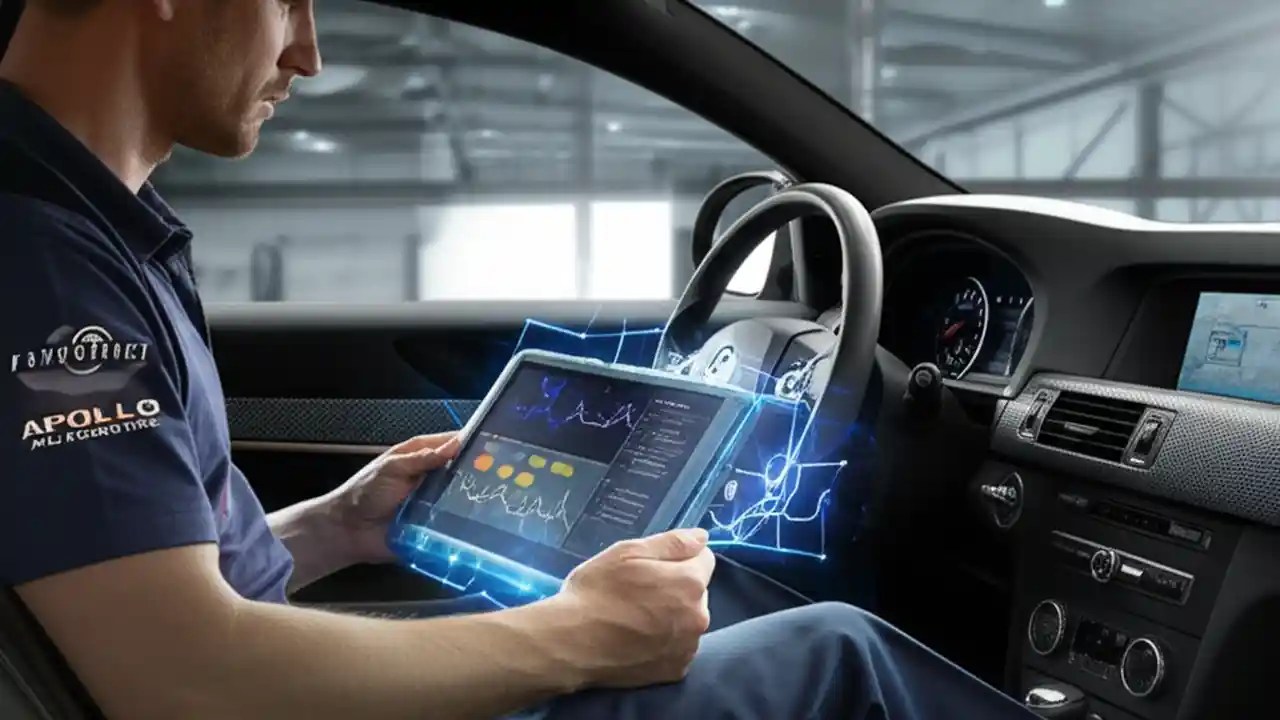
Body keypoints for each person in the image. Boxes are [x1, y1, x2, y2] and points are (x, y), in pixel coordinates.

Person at [0, 2, 1039, 719]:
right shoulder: (44, 270)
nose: (306, 54)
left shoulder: (90, 231)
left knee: (731, 597)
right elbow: (182, 682)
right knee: (838, 653)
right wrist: (578, 635)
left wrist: (329, 527)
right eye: (286, 4)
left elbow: (125, 577)